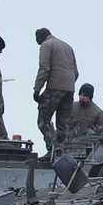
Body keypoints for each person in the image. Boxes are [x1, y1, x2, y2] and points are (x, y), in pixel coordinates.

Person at [33, 27, 78, 156]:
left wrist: (37, 89)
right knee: (63, 124)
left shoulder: (46, 45)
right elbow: (76, 72)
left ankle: (52, 149)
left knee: (43, 119)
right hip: (69, 89)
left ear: (40, 37)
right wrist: (68, 84)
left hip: (55, 87)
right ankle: (62, 152)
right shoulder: (67, 46)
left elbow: (44, 68)